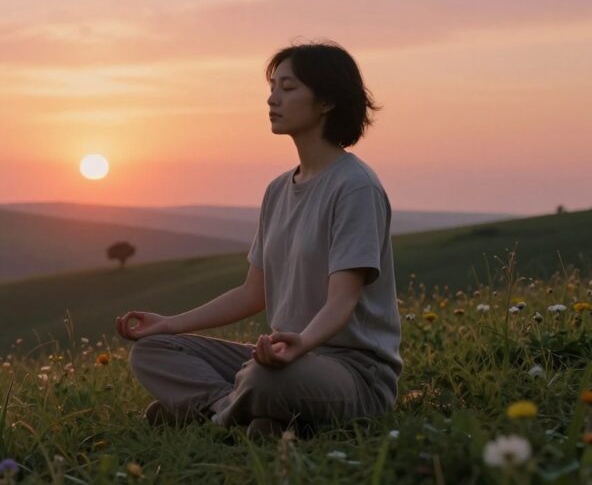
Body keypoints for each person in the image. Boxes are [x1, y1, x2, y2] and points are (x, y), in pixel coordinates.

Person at [115, 40, 402, 438]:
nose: (272, 99)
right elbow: (253, 293)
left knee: (265, 380)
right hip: (280, 358)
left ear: (326, 102)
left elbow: (343, 300)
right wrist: (169, 324)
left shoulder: (355, 187)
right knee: (153, 351)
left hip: (352, 372)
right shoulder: (277, 190)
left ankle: (219, 415)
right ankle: (241, 412)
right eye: (272, 88)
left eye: (288, 88)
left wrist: (300, 344)